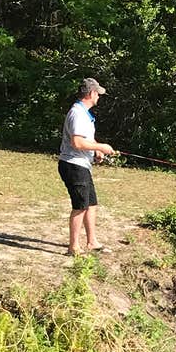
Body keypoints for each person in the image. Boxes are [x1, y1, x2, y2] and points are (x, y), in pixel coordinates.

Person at [59, 77, 116, 256]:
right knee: (80, 206)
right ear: (91, 93)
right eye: (97, 93)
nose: (99, 97)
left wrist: (96, 151)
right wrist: (101, 147)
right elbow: (76, 142)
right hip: (73, 165)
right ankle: (73, 247)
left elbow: (85, 139)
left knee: (91, 203)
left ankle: (92, 242)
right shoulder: (77, 113)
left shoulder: (85, 114)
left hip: (82, 165)